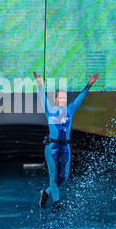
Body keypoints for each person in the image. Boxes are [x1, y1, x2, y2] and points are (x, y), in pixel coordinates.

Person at [34, 71, 98, 210]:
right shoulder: (49, 110)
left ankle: (46, 192)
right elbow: (41, 97)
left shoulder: (70, 110)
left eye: (64, 98)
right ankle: (56, 203)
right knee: (53, 176)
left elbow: (80, 99)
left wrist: (89, 85)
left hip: (65, 147)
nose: (63, 100)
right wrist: (39, 84)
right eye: (60, 98)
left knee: (64, 178)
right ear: (56, 99)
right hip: (52, 147)